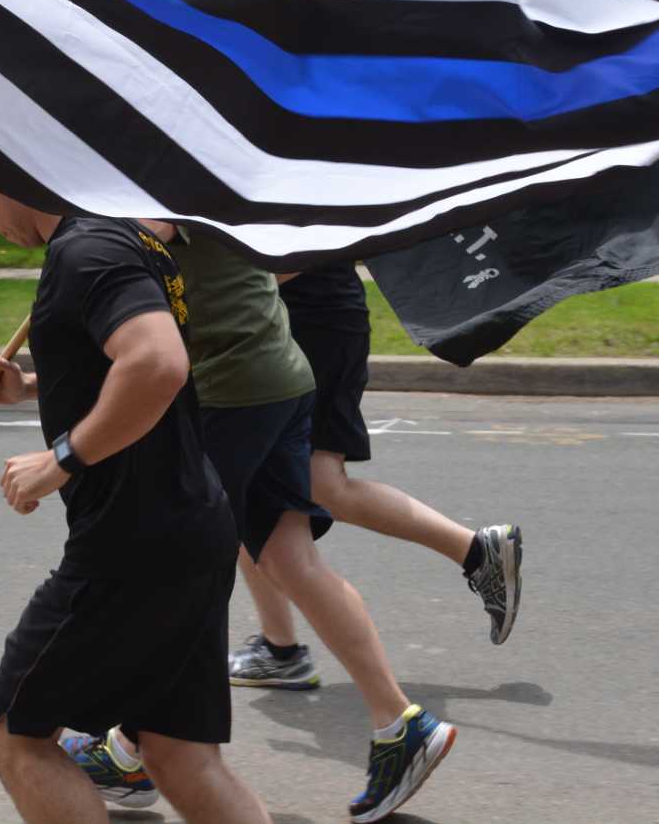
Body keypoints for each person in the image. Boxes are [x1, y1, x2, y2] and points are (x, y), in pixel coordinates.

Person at [54, 229, 456, 824]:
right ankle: (400, 724)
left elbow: (141, 315)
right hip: (278, 377)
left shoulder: (145, 179)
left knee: (173, 567)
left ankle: (130, 753)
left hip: (228, 389)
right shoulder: (199, 162)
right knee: (288, 557)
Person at [0, 165, 271, 824]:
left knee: (14, 737)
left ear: (4, 170)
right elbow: (122, 363)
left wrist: (61, 459)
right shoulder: (123, 238)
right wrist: (30, 387)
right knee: (179, 755)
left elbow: (158, 363)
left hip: (133, 546)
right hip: (192, 526)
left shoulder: (86, 250)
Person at [232, 263, 522, 689]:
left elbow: (300, 248)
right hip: (301, 324)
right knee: (257, 487)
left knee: (296, 486)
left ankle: (476, 552)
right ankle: (280, 649)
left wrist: (222, 286)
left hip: (311, 326)